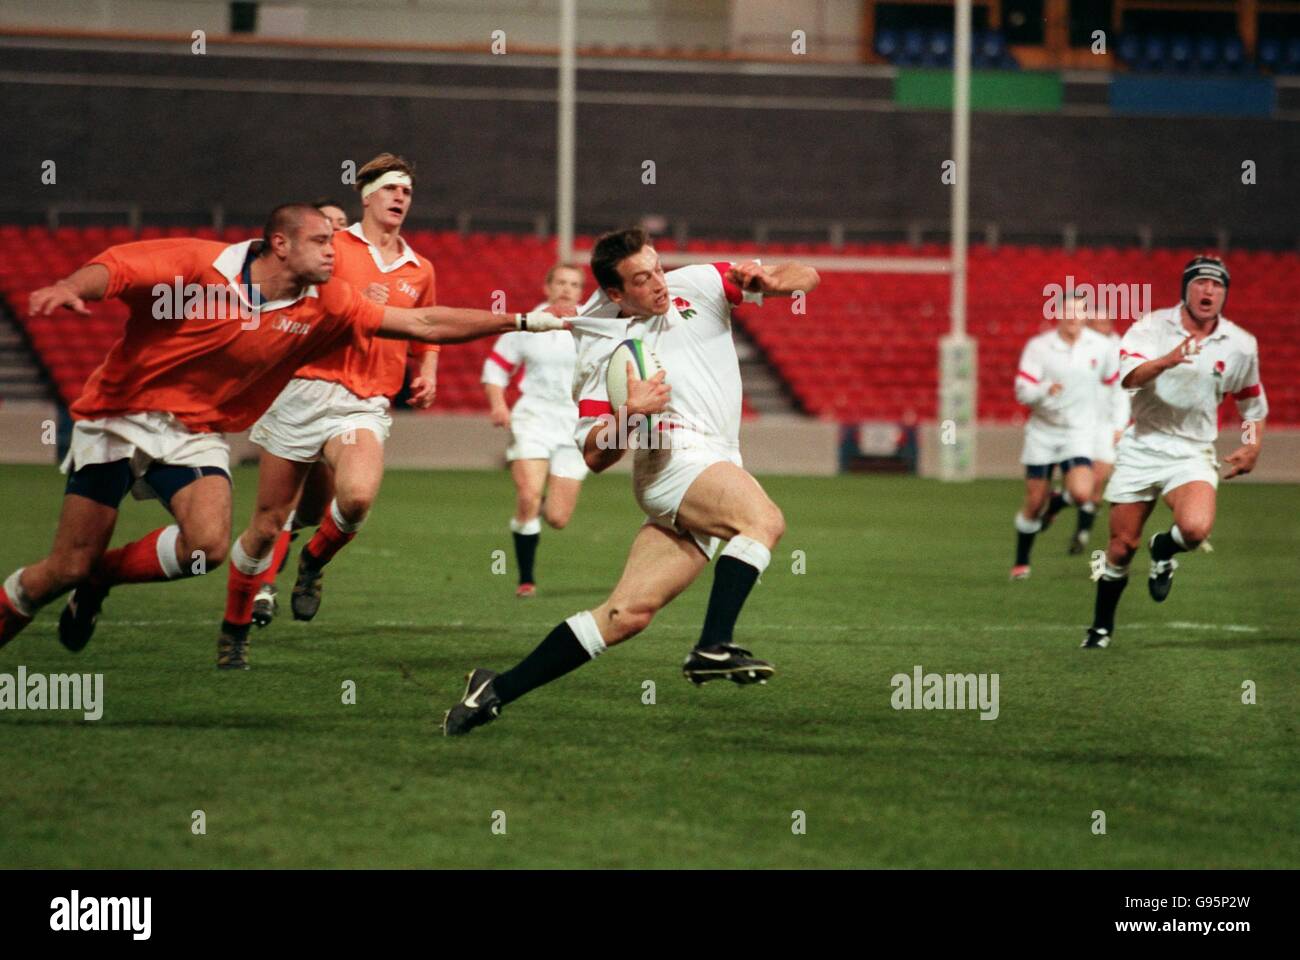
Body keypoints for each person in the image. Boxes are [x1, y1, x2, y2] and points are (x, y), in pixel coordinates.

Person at [0, 203, 568, 660]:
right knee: (63, 567)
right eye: (323, 241)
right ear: (281, 244)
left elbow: (422, 322)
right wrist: (74, 285)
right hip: (117, 417)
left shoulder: (328, 302)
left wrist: (517, 319)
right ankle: (72, 582)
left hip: (194, 430)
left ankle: (99, 581)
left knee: (209, 547)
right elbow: (119, 268)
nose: (334, 250)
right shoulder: (203, 265)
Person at [442, 227, 819, 735]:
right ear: (616, 293)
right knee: (763, 520)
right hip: (673, 463)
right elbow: (595, 455)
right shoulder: (601, 345)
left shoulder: (698, 284)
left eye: (658, 267)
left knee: (624, 615)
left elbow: (808, 277)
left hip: (714, 462)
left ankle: (494, 690)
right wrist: (630, 413)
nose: (660, 283)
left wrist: (769, 277)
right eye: (643, 279)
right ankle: (713, 646)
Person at [247, 156, 439, 629]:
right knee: (281, 513)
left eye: (407, 192)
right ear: (367, 195)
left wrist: (427, 370)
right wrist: (353, 308)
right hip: (306, 388)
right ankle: (254, 597)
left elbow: (427, 329)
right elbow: (289, 300)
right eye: (391, 188)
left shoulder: (420, 269)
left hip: (364, 401)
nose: (400, 197)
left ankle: (312, 565)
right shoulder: (331, 247)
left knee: (353, 499)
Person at [1084, 256, 1267, 649]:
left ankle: (1163, 548)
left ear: (1224, 294)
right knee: (1119, 548)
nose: (1208, 291)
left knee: (1196, 529)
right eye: (1200, 283)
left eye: (1217, 286)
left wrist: (1252, 444)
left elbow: (1252, 404)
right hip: (1142, 444)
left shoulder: (1240, 345)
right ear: (1185, 288)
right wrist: (1167, 361)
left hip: (1191, 451)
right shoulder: (1151, 327)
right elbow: (1129, 380)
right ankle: (1100, 628)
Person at [481, 264, 587, 598]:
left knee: (557, 518)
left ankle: (540, 500)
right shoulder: (526, 323)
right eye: (561, 282)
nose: (567, 289)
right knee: (527, 497)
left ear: (581, 291)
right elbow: (496, 367)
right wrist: (498, 404)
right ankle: (526, 579)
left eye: (574, 284)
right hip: (533, 416)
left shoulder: (591, 325)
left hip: (574, 422)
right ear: (547, 287)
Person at [1010, 293, 1119, 579]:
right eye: (1068, 311)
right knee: (1034, 502)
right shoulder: (1040, 347)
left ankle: (1057, 502)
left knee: (1084, 492)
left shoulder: (1102, 347)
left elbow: (1113, 385)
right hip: (1043, 432)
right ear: (1058, 313)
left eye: (1079, 312)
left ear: (1085, 316)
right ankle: (1021, 561)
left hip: (1078, 432)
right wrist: (1045, 389)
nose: (1073, 317)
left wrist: (1117, 423)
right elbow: (1022, 389)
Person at [1069, 305, 1130, 555]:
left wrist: (1120, 425)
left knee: (1096, 481)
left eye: (1106, 323)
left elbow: (1124, 391)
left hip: (1106, 425)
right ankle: (1059, 505)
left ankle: (1082, 533)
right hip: (1080, 423)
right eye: (1096, 323)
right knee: (1078, 483)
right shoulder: (1079, 347)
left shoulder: (1120, 351)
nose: (1101, 328)